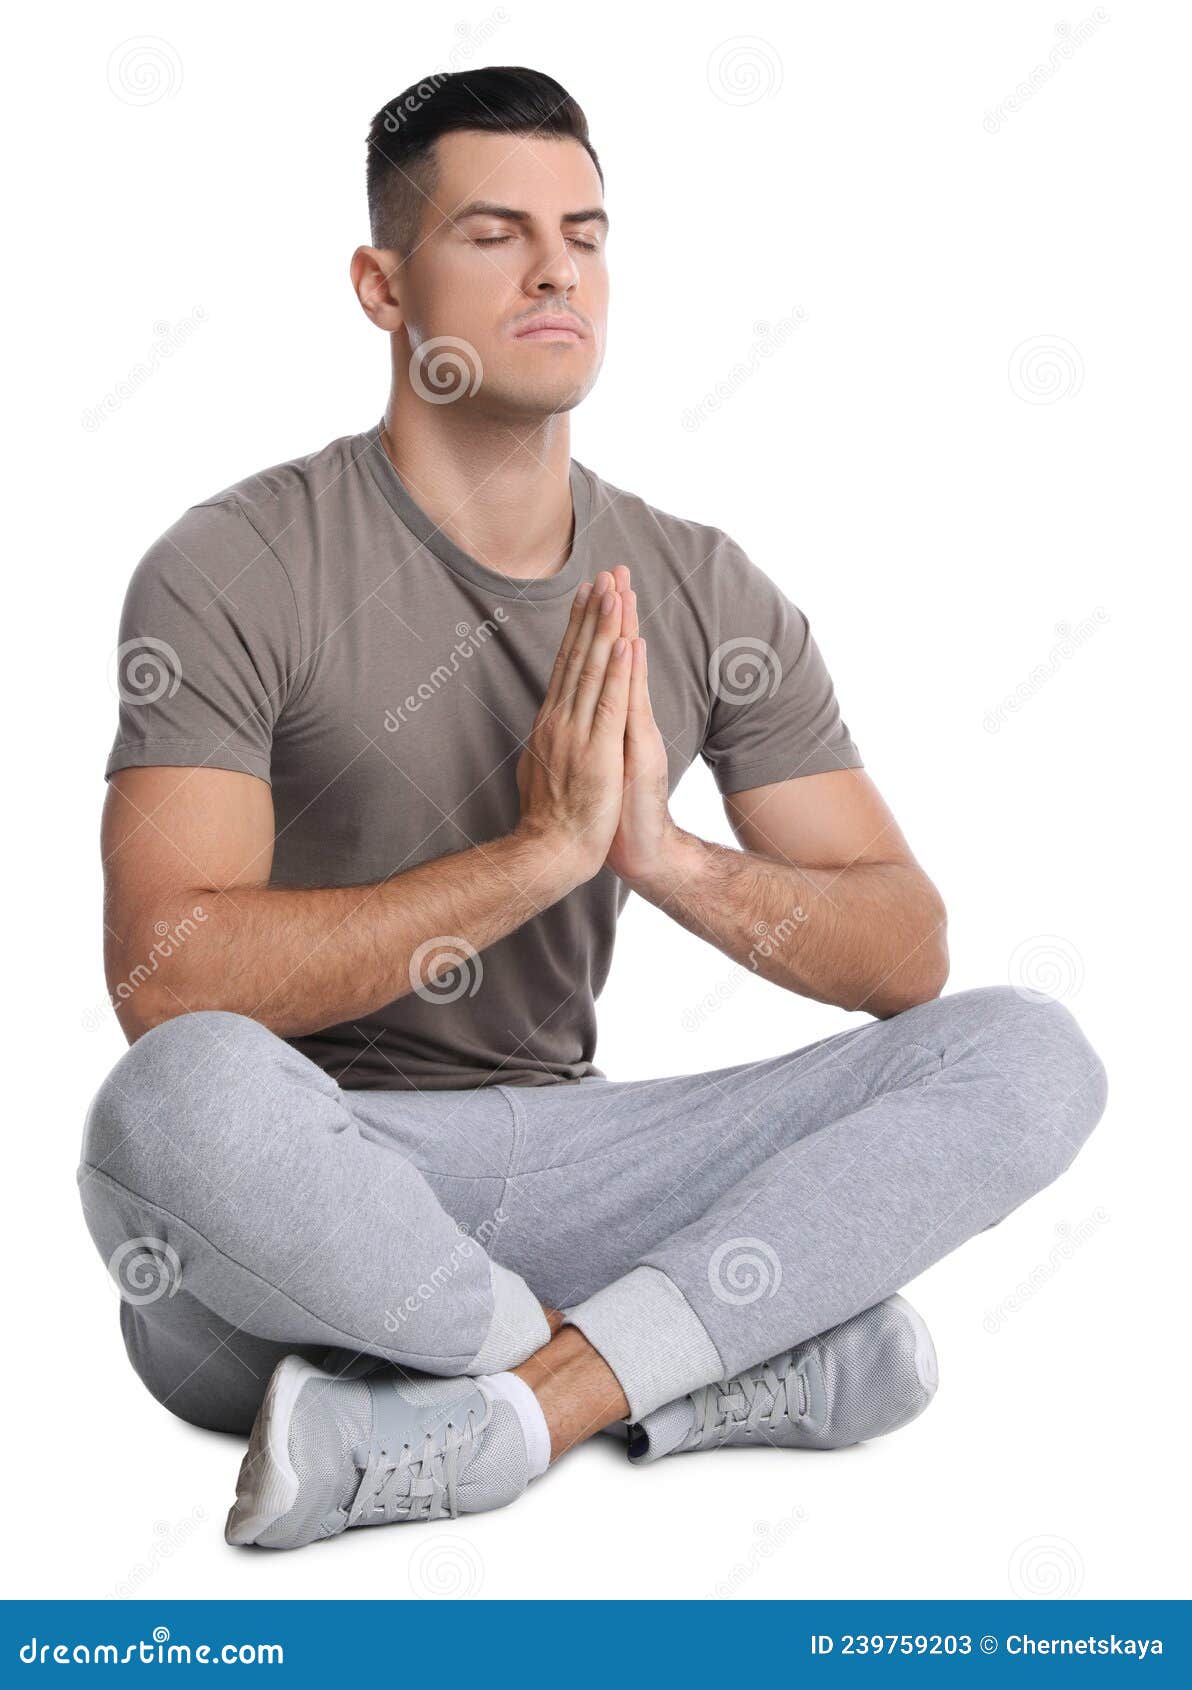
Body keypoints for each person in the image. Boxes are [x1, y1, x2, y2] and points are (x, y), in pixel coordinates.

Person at [79, 66, 1107, 1551]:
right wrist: (531, 860)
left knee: (1029, 1048)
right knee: (167, 1108)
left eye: (586, 231)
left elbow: (906, 955)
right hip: (313, 1192)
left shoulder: (699, 583)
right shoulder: (234, 562)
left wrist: (663, 856)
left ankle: (509, 1413)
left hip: (576, 1158)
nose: (558, 265)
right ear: (383, 285)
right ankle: (691, 1367)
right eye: (494, 233)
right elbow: (165, 976)